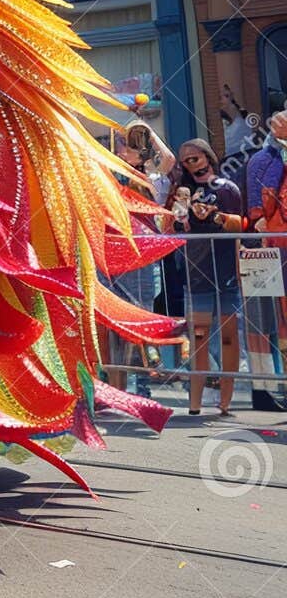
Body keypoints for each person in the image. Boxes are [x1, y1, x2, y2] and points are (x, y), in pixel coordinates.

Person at [169, 139, 247, 416]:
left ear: (207, 157)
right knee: (199, 336)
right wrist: (181, 218)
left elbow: (241, 224)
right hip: (197, 272)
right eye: (185, 161)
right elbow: (173, 226)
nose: (191, 164)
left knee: (228, 337)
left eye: (195, 158)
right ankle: (195, 402)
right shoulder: (182, 192)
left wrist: (217, 217)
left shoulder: (227, 188)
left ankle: (225, 401)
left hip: (225, 271)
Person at [107, 117, 176, 396]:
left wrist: (146, 129)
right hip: (116, 260)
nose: (124, 150)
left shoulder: (153, 182)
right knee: (115, 326)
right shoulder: (112, 179)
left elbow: (169, 159)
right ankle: (117, 391)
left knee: (141, 322)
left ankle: (142, 388)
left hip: (145, 262)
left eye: (132, 147)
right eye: (123, 145)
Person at [245, 108, 287, 411]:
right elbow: (258, 216)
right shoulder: (262, 161)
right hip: (277, 247)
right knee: (279, 321)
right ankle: (272, 386)